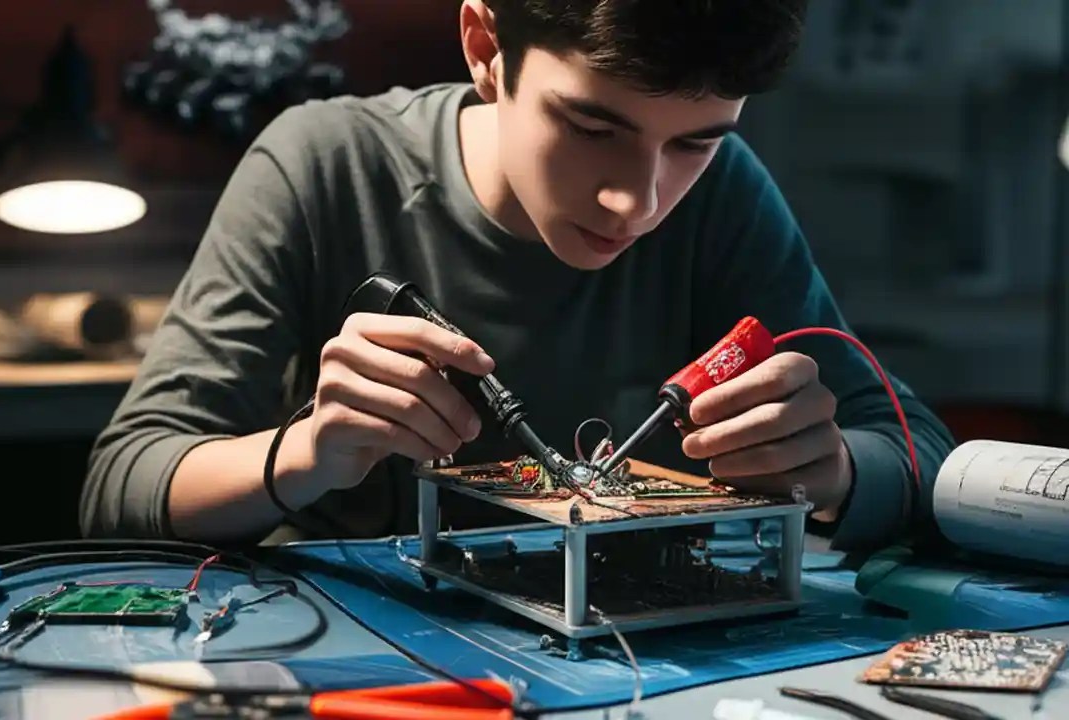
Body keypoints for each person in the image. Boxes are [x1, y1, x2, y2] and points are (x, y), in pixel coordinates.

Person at [80, 0, 956, 551]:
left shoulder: (722, 193)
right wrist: (308, 453)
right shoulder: (324, 163)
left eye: (693, 141)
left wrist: (834, 467)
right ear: (485, 48)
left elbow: (921, 453)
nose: (636, 202)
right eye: (592, 127)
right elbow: (124, 484)